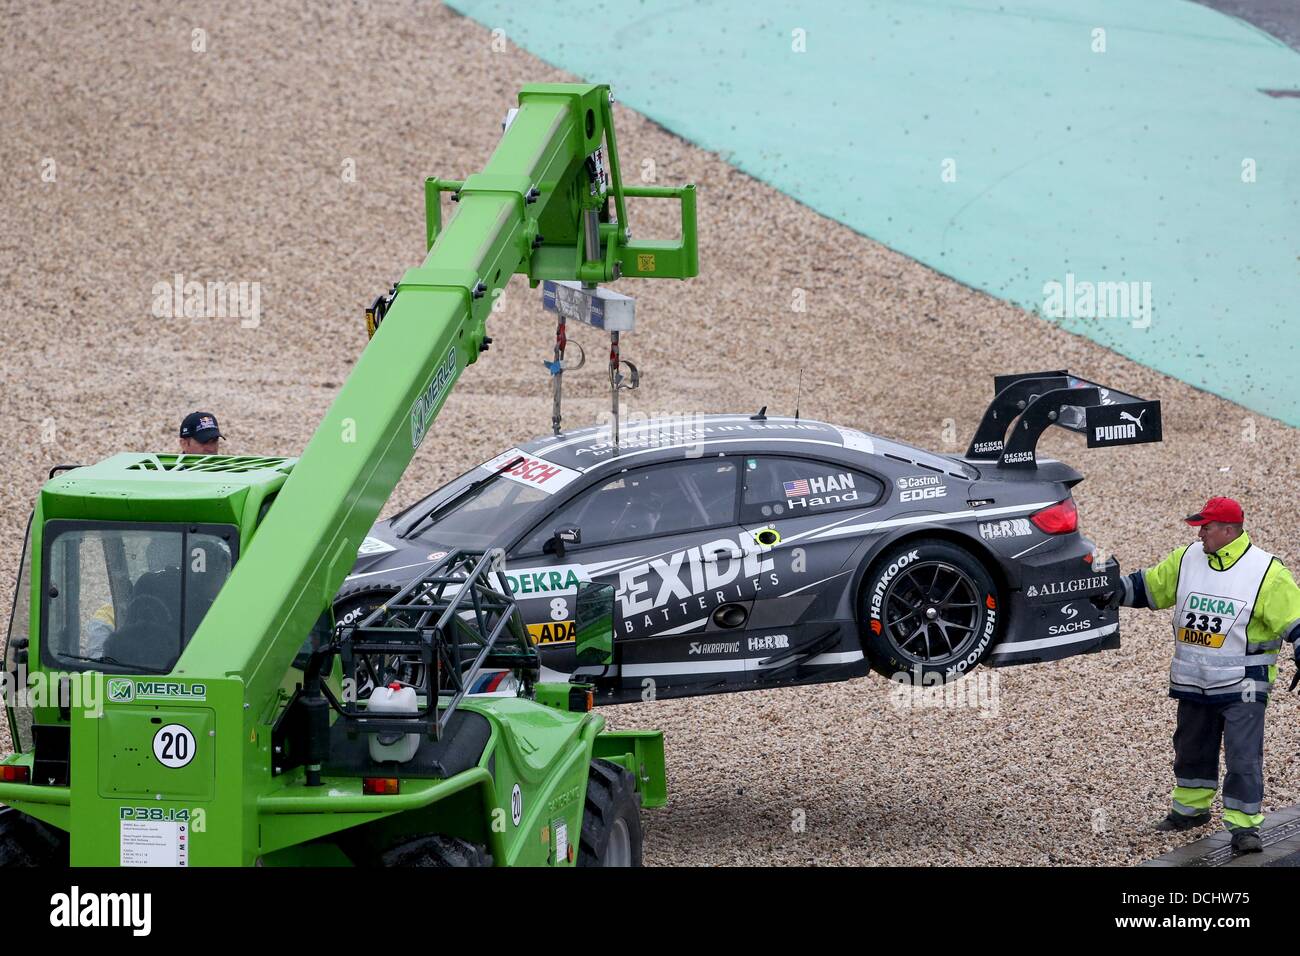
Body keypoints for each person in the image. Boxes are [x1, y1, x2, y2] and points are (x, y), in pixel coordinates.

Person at [1097, 496, 1300, 854]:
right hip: (1192, 679)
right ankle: (1189, 811)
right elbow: (1149, 587)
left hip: (1245, 683)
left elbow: (1295, 622)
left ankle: (1244, 828)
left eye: (1206, 526)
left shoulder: (1267, 572)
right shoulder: (1188, 557)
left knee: (1242, 757)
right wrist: (1111, 589)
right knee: (1191, 749)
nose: (1200, 532)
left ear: (1229, 530)